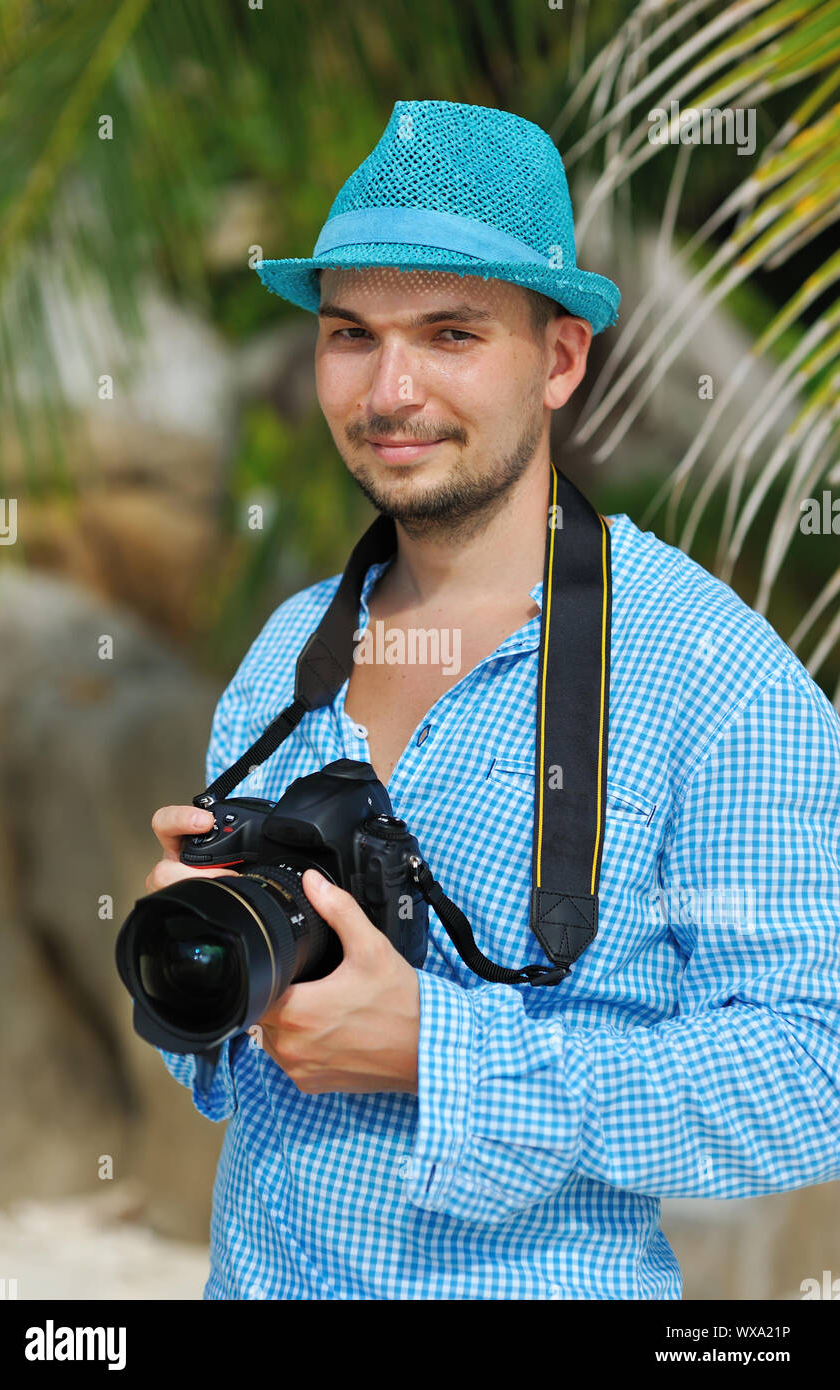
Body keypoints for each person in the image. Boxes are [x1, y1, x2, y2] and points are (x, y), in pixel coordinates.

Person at [146, 100, 840, 1300]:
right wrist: (207, 953)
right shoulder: (283, 654)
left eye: (451, 334)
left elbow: (811, 1071)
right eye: (350, 333)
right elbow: (228, 1058)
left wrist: (438, 1053)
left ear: (560, 359)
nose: (389, 389)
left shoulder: (711, 678)